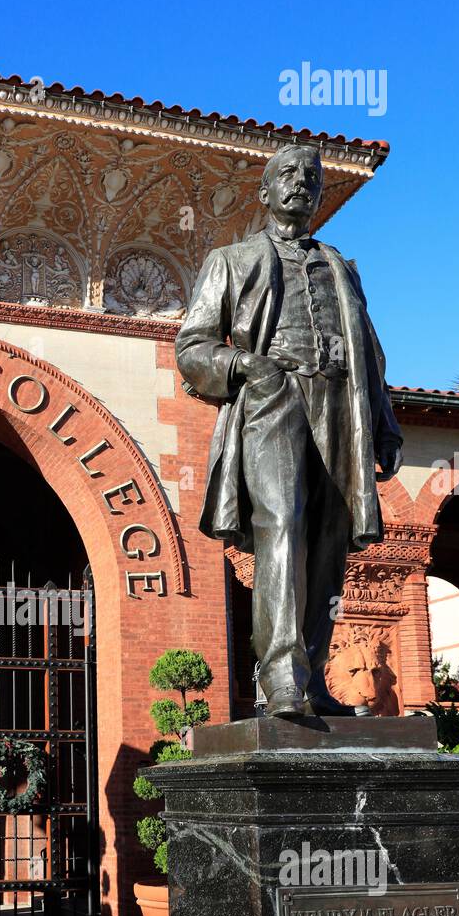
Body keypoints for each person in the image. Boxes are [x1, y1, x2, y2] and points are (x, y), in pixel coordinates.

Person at [176, 145, 403, 719]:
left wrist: (386, 423)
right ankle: (280, 677)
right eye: (288, 175)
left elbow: (370, 355)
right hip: (272, 400)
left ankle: (315, 678)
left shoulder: (343, 268)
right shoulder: (231, 260)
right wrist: (245, 366)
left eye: (312, 178)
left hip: (340, 407)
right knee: (282, 523)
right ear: (266, 192)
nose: (301, 184)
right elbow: (192, 347)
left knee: (330, 544)